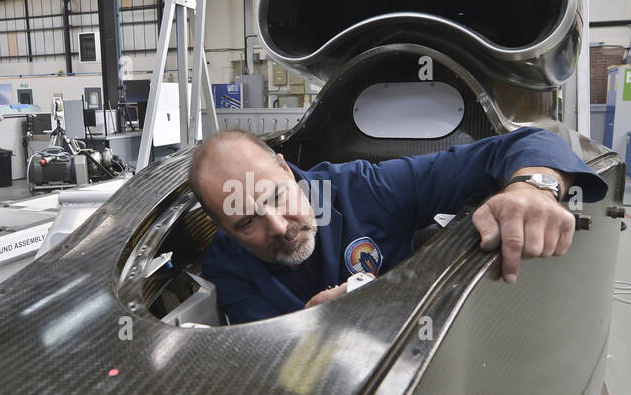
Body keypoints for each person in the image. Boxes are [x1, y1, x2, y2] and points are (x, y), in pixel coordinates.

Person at [190, 128, 609, 325]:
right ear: (220, 227)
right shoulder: (226, 269)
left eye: (277, 195)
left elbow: (526, 143)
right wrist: (309, 329)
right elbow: (271, 369)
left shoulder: (365, 190)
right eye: (246, 221)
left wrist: (534, 187)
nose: (279, 227)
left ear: (285, 167)